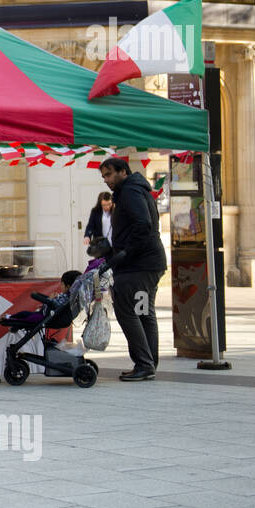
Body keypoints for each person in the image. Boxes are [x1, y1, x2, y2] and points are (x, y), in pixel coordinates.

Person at [100, 157, 167, 380]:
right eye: (104, 176)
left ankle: (144, 363)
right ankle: (148, 363)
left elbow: (143, 224)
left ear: (123, 171)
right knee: (143, 311)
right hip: (146, 262)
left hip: (139, 265)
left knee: (127, 310)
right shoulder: (135, 189)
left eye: (109, 174)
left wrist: (126, 252)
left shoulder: (130, 191)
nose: (106, 180)